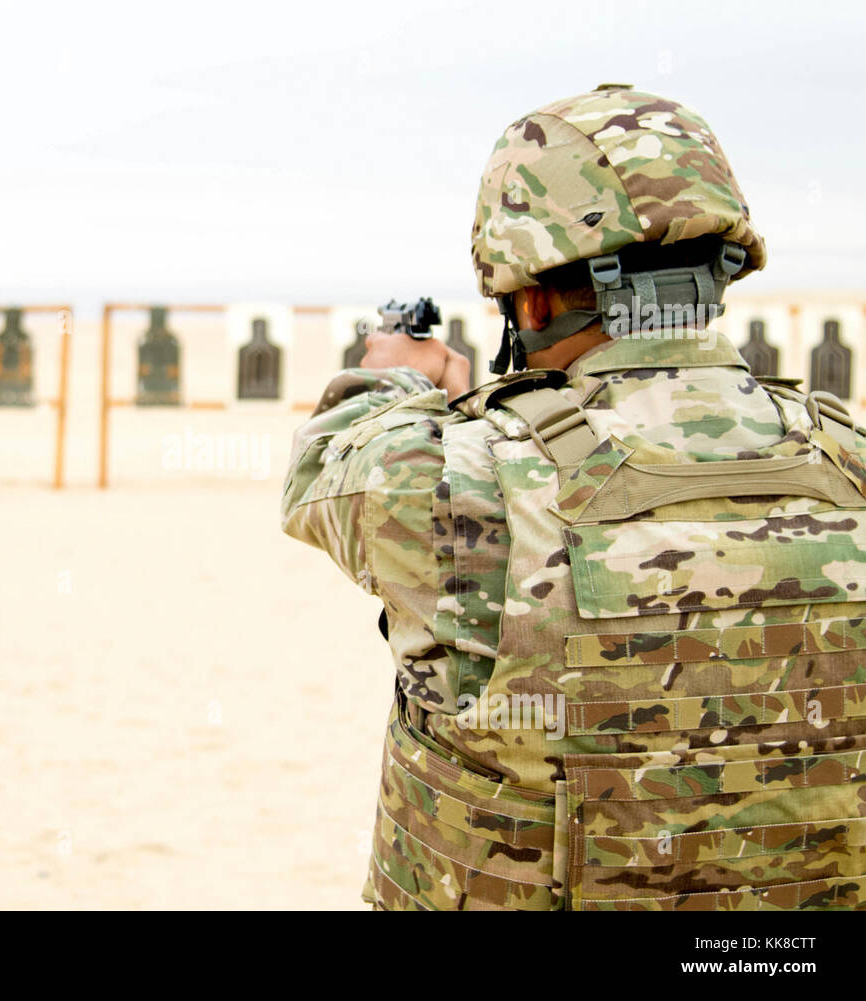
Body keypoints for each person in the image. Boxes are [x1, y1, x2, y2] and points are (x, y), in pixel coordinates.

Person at [282, 84, 866, 911]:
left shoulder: (464, 482)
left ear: (532, 298)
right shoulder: (849, 457)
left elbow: (323, 469)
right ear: (722, 269)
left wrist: (406, 374)